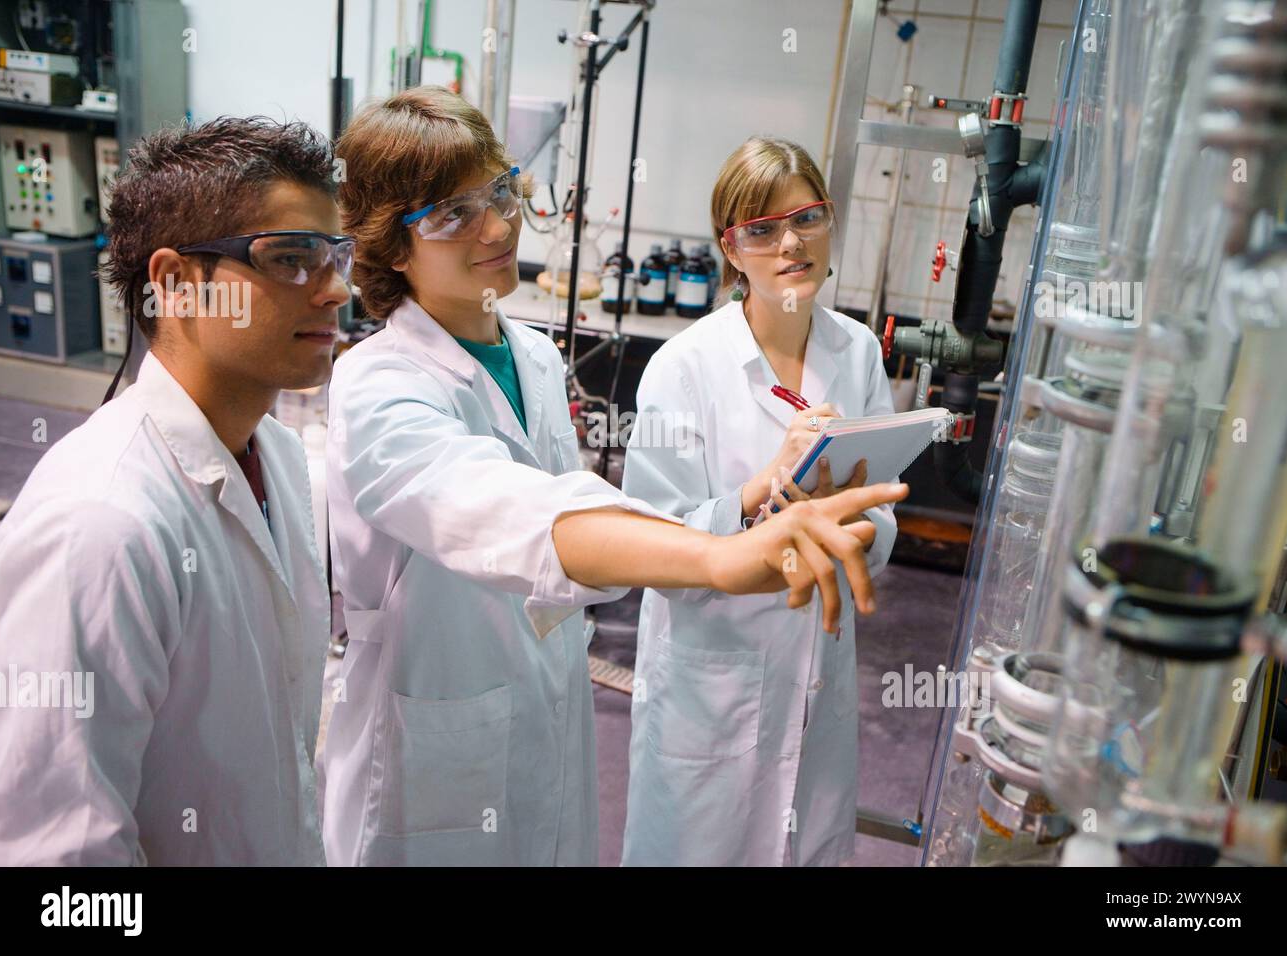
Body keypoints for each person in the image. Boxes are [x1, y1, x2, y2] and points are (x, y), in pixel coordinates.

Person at [323, 88, 907, 866]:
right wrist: (726, 551)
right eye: (449, 215)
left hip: (547, 719)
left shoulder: (532, 356)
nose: (500, 225)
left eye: (500, 190)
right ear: (391, 248)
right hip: (434, 754)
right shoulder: (375, 383)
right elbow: (512, 513)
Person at [0, 117, 351, 864]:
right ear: (177, 284)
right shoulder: (99, 525)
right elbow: (54, 865)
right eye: (292, 258)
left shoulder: (276, 456)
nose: (336, 289)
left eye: (336, 255)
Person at [620, 136, 900, 866]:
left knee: (804, 843)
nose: (790, 244)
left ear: (831, 224)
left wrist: (851, 509)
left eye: (806, 219)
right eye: (762, 229)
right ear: (732, 249)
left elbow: (883, 517)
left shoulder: (858, 351)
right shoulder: (684, 368)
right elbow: (651, 542)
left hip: (816, 668)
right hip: (713, 684)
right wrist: (768, 485)